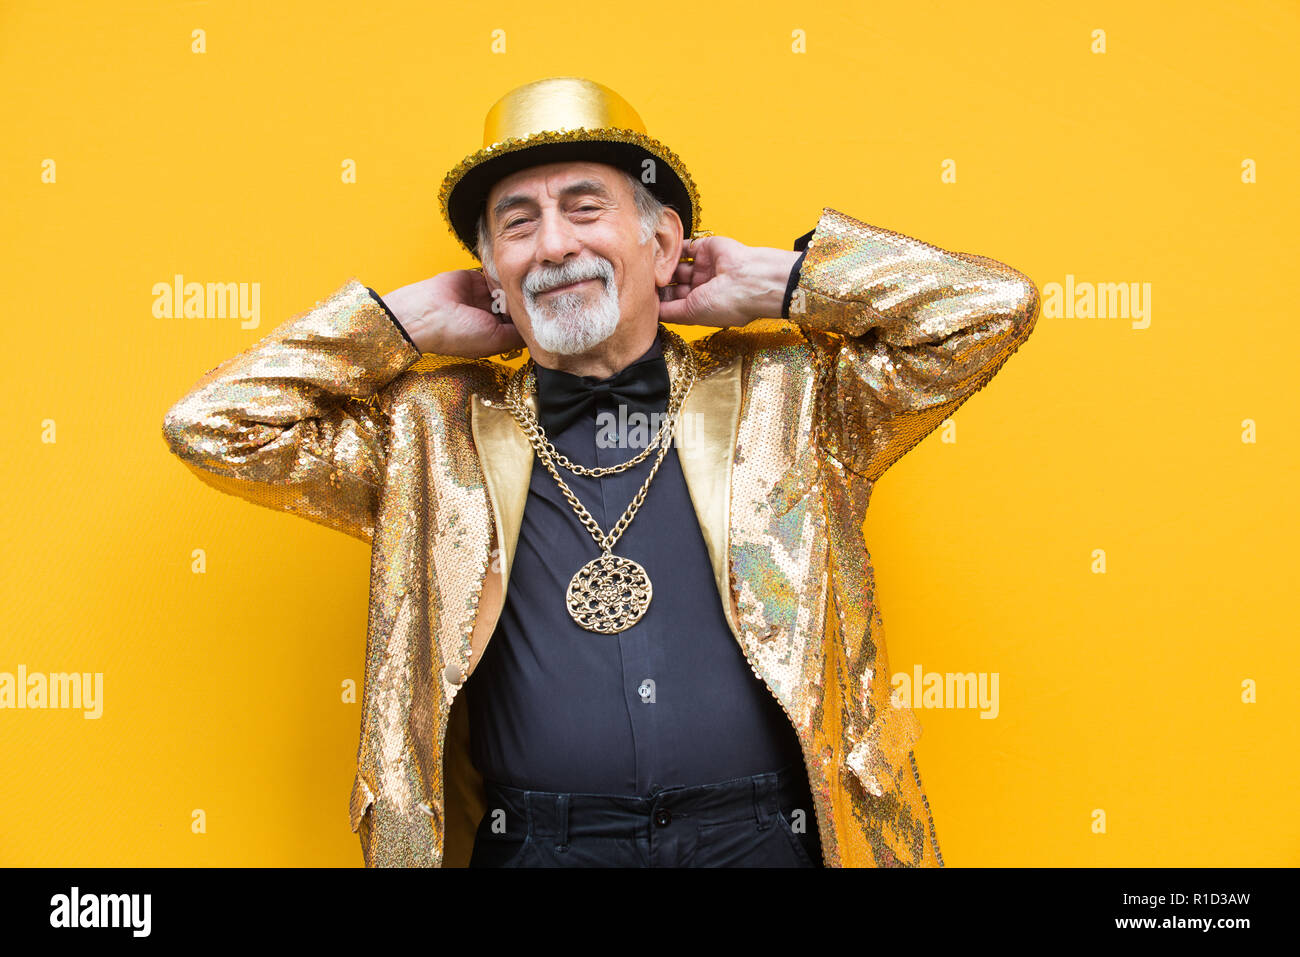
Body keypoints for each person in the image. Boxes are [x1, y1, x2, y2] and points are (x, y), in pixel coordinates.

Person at [162, 75, 1040, 867]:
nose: (552, 245)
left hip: (769, 842)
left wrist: (789, 283)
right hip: (538, 849)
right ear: (494, 280)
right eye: (518, 222)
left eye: (585, 208)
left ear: (662, 246)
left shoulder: (796, 392)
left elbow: (992, 308)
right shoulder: (432, 434)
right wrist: (397, 323)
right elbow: (211, 426)